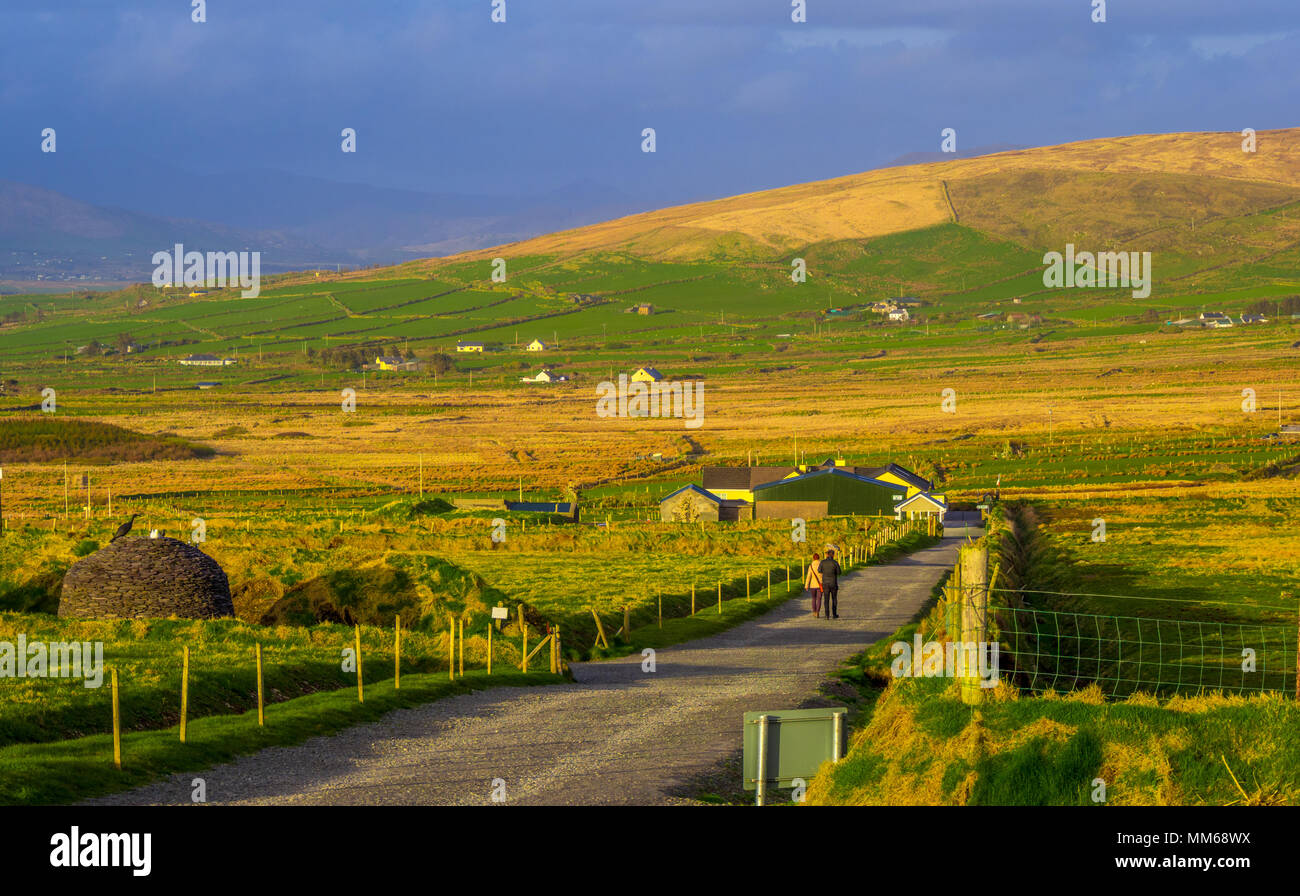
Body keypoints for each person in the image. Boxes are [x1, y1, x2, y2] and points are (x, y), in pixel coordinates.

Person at [818, 548, 842, 619]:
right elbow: (839, 572)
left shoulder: (822, 562)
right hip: (833, 583)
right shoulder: (835, 562)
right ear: (833, 555)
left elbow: (819, 570)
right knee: (834, 599)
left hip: (825, 583)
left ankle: (827, 615)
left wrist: (825, 572)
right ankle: (834, 614)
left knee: (826, 599)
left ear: (827, 555)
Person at [804, 552, 823, 617]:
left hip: (812, 585)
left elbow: (808, 576)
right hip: (820, 585)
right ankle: (817, 612)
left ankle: (814, 611)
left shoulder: (811, 566)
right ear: (819, 558)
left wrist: (806, 585)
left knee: (813, 598)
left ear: (813, 558)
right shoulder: (822, 565)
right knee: (819, 599)